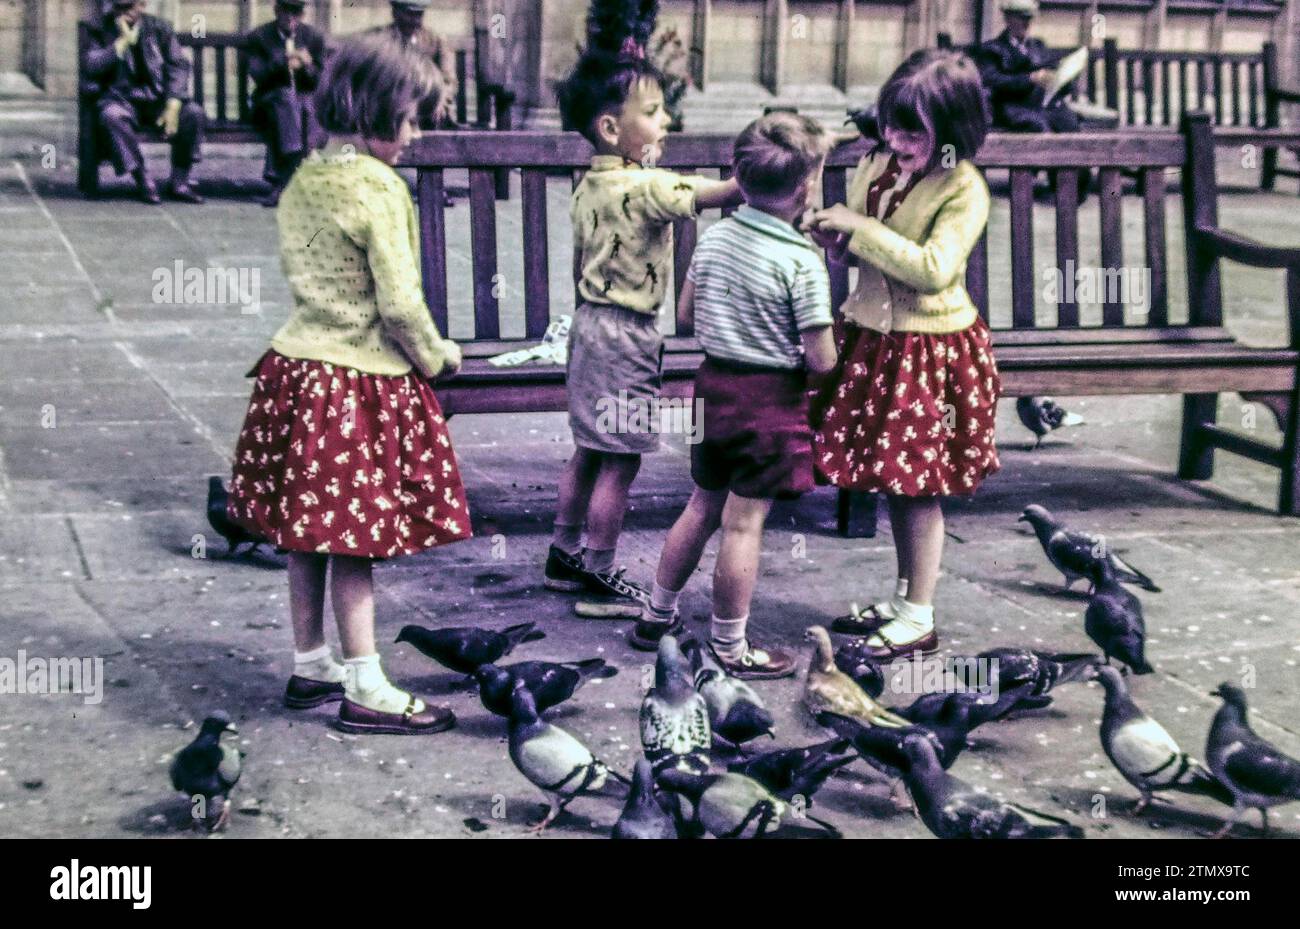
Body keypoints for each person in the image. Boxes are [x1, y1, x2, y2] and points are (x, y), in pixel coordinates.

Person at [227, 36, 469, 736]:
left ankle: (312, 663)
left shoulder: (305, 175)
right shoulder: (377, 187)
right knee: (355, 538)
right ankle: (366, 683)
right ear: (378, 112)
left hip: (297, 370)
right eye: (411, 119)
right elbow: (398, 302)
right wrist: (437, 355)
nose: (416, 135)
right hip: (356, 381)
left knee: (305, 533)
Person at [807, 49, 1000, 660]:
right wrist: (838, 241)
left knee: (918, 486)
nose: (895, 138)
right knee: (895, 479)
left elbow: (934, 270)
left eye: (913, 129)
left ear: (956, 129)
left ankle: (919, 615)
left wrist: (859, 230)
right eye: (891, 123)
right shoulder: (878, 163)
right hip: (872, 338)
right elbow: (865, 248)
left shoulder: (963, 187)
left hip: (930, 351)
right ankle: (901, 598)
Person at [633, 113, 836, 678]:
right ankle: (730, 647)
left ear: (737, 175)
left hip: (712, 386)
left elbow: (686, 313)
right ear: (806, 187)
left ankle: (656, 614)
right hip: (767, 399)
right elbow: (822, 359)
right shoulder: (802, 261)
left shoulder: (716, 237)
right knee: (743, 524)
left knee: (700, 504)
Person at [544, 52, 742, 616]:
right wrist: (760, 169)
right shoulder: (647, 187)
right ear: (612, 128)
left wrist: (647, 159)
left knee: (588, 449)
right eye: (654, 113)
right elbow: (718, 195)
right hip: (628, 336)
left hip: (588, 328)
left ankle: (563, 553)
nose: (666, 125)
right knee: (621, 461)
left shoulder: (593, 185)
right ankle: (601, 570)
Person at [80, 0, 205, 203]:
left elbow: (178, 66)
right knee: (111, 116)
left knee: (193, 114)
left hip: (157, 100)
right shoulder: (100, 29)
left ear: (142, 5)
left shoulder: (160, 28)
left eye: (130, 6)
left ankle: (179, 181)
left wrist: (173, 104)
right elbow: (92, 65)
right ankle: (142, 178)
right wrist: (120, 43)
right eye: (120, 8)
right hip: (121, 100)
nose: (125, 13)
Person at [246, 0, 328, 207]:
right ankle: (296, 169)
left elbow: (321, 80)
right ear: (276, 11)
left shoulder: (313, 37)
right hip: (267, 105)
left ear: (303, 14)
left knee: (303, 107)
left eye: (297, 11)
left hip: (300, 108)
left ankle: (282, 183)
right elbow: (259, 75)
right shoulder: (260, 37)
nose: (291, 17)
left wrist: (307, 65)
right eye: (286, 10)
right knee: (285, 99)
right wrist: (282, 61)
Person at [971, 0, 1080, 135]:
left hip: (1041, 106)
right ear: (1008, 18)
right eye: (1021, 17)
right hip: (1013, 107)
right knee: (1038, 126)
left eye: (1029, 18)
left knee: (1069, 122)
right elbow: (991, 80)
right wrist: (1030, 79)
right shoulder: (993, 49)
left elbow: (1054, 71)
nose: (1026, 23)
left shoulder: (1038, 46)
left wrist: (1063, 79)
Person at [366, 0, 458, 129]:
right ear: (395, 13)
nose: (414, 21)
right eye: (409, 14)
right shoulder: (382, 39)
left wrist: (440, 98)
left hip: (425, 106)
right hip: (391, 106)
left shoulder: (436, 40)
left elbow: (448, 79)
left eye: (419, 15)